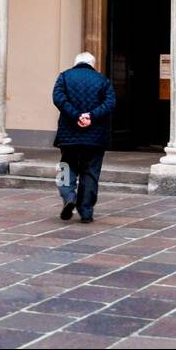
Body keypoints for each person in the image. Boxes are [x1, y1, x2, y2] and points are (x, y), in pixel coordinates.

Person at [52, 52, 116, 224]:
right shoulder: (103, 80)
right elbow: (110, 103)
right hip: (95, 137)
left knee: (65, 166)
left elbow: (58, 99)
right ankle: (86, 211)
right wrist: (91, 116)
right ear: (93, 64)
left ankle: (68, 196)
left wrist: (76, 116)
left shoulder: (64, 77)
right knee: (90, 173)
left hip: (69, 135)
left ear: (75, 62)